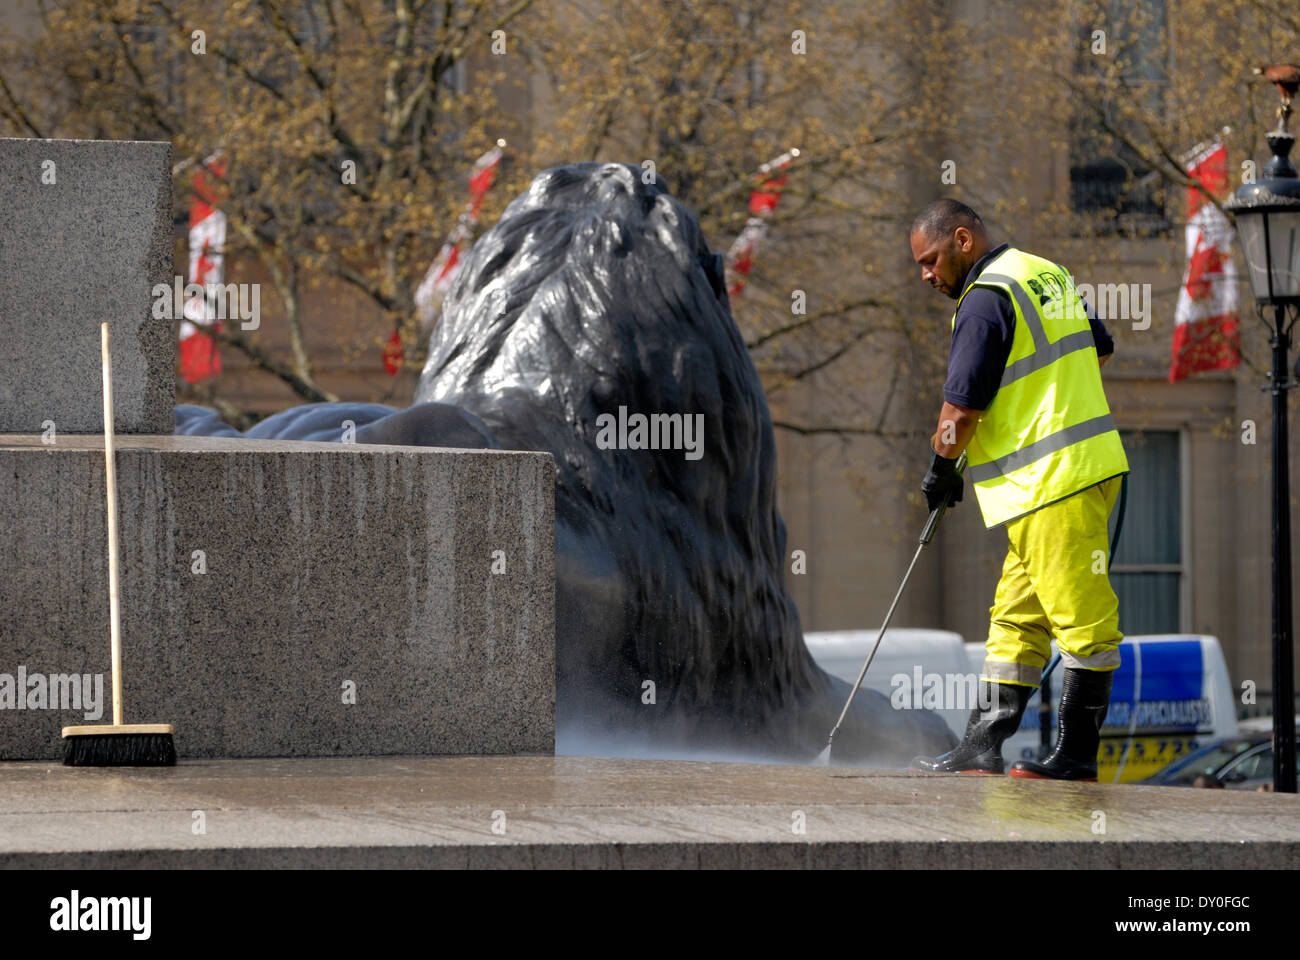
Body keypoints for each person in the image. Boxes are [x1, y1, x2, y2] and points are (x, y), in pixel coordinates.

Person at [906, 199, 1129, 781]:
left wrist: (940, 467)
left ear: (962, 239)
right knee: (1014, 619)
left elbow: (961, 406)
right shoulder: (1045, 273)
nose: (928, 275)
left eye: (931, 260)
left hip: (1055, 481)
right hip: (1062, 478)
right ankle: (981, 747)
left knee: (1083, 623)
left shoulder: (983, 301)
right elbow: (1099, 347)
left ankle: (1076, 758)